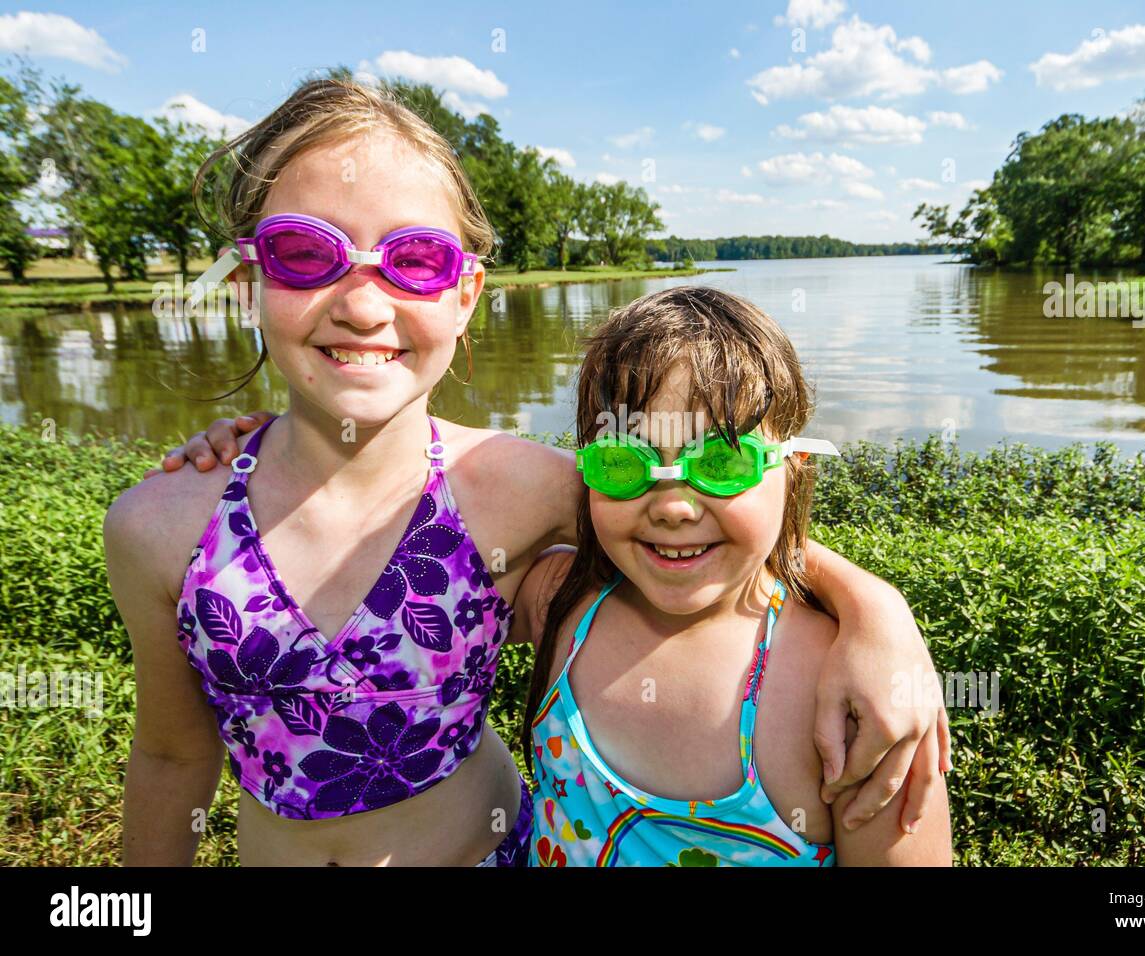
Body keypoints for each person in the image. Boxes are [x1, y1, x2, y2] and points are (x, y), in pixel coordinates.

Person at [120, 79, 949, 867]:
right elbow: (167, 756)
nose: (363, 306)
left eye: (414, 259)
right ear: (251, 276)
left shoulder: (517, 484)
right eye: (305, 252)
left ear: (466, 293)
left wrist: (879, 613)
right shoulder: (159, 527)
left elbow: (708, 514)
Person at [510, 287, 951, 865]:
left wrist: (877, 612)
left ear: (796, 466)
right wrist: (875, 604)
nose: (673, 506)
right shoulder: (558, 603)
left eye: (722, 463)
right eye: (622, 461)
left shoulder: (846, 696)